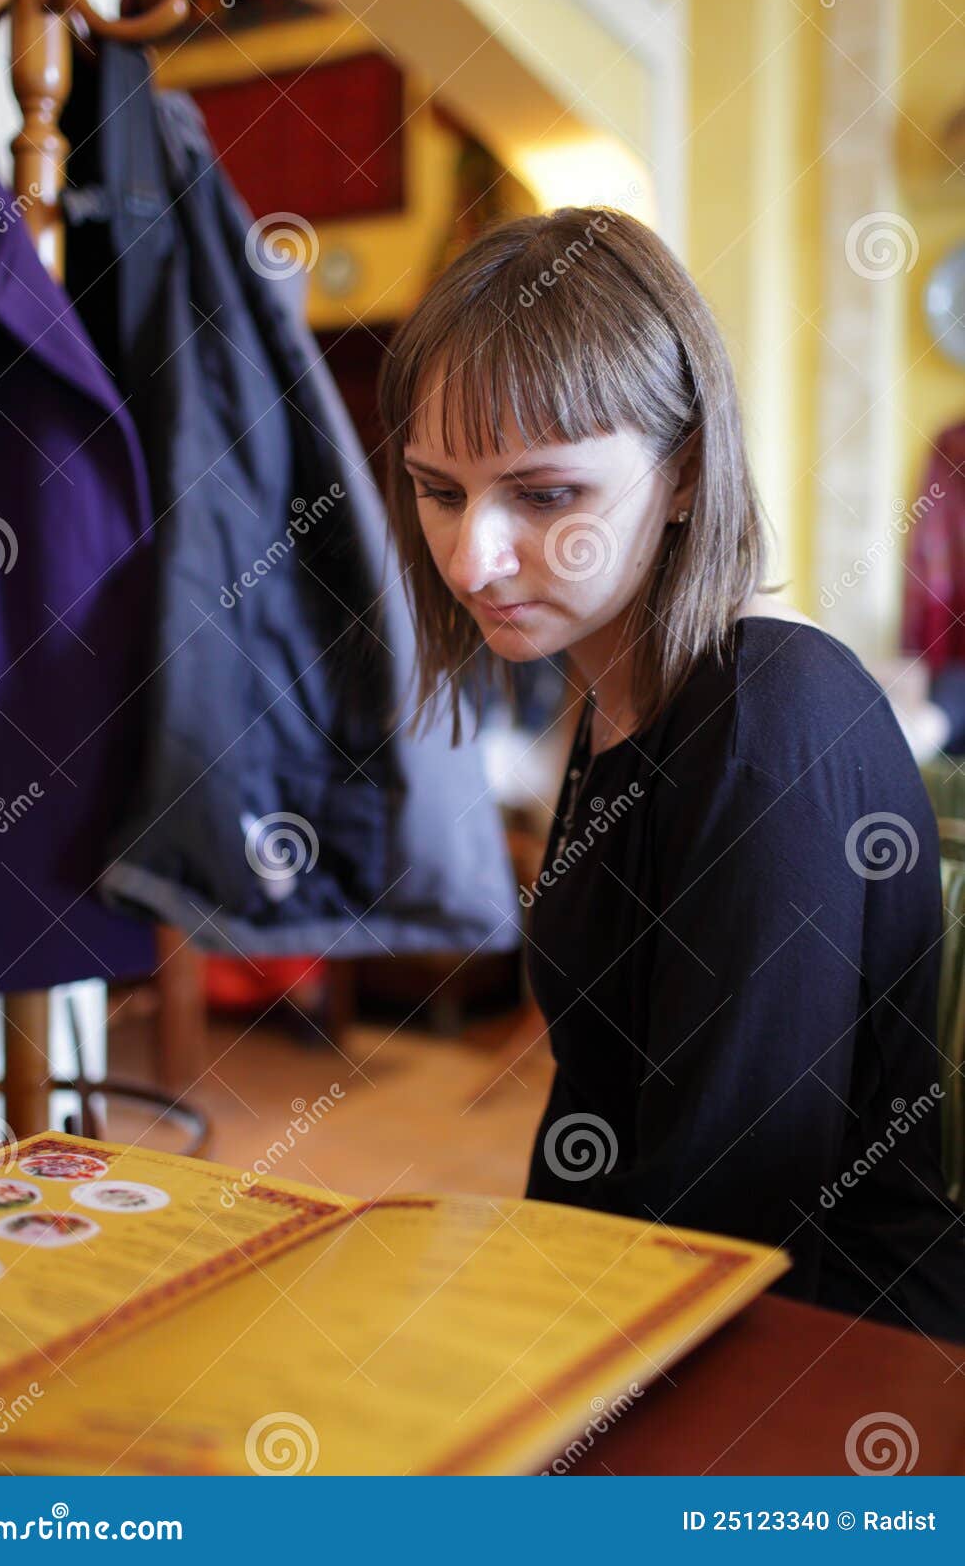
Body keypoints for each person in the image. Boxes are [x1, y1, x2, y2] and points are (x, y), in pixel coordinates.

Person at [377, 206, 965, 1341]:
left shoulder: (769, 711)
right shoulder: (606, 710)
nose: (470, 557)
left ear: (686, 473)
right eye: (440, 490)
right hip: (653, 1308)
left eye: (545, 496)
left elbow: (726, 1200)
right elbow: (597, 1126)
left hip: (830, 1346)